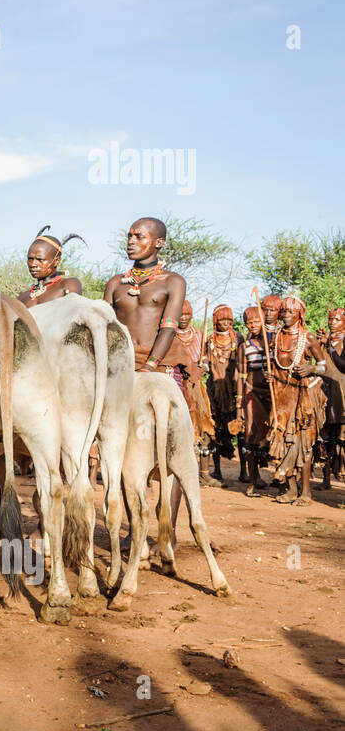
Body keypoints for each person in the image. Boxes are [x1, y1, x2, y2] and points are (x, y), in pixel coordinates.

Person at [104, 217, 194, 526]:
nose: (130, 241)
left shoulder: (173, 282)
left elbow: (168, 328)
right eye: (129, 235)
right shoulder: (115, 284)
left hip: (161, 371)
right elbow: (106, 329)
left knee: (176, 451)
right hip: (122, 374)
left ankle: (167, 530)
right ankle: (136, 529)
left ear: (158, 243)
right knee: (123, 453)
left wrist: (150, 367)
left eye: (139, 236)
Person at [266, 296, 326, 505]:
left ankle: (306, 493)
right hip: (282, 398)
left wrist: (311, 369)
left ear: (300, 314)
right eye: (284, 312)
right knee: (283, 441)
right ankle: (291, 489)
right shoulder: (275, 338)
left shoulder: (307, 338)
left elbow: (324, 366)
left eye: (291, 312)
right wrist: (271, 375)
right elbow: (277, 365)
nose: (286, 316)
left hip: (303, 398)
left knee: (303, 445)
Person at [175, 299, 220, 487]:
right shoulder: (169, 335)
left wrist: (204, 367)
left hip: (196, 388)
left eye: (186, 314)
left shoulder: (199, 335)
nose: (183, 318)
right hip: (177, 385)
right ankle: (181, 471)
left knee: (204, 426)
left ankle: (204, 473)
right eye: (180, 314)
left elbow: (207, 360)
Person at [204, 304, 243, 483]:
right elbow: (204, 360)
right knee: (216, 429)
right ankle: (217, 470)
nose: (225, 324)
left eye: (228, 320)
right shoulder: (209, 340)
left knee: (240, 430)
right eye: (221, 320)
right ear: (215, 321)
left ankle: (245, 471)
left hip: (235, 390)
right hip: (215, 390)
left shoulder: (238, 339)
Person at [236, 305, 273, 492]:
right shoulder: (244, 347)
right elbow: (241, 375)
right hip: (251, 394)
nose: (253, 325)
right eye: (249, 323)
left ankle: (281, 480)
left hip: (273, 396)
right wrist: (238, 405)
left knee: (271, 435)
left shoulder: (273, 342)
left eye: (256, 321)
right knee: (251, 436)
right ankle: (253, 479)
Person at [17, 226, 83, 307]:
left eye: (39, 259)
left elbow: (74, 315)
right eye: (30, 259)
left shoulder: (68, 285)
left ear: (56, 261)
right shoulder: (22, 297)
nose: (32, 264)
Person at [317, 307, 345, 489]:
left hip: (343, 394)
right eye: (330, 319)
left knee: (342, 438)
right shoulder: (324, 340)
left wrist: (329, 347)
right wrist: (319, 344)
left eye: (336, 319)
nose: (332, 322)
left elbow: (343, 366)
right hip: (324, 392)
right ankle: (325, 479)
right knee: (326, 437)